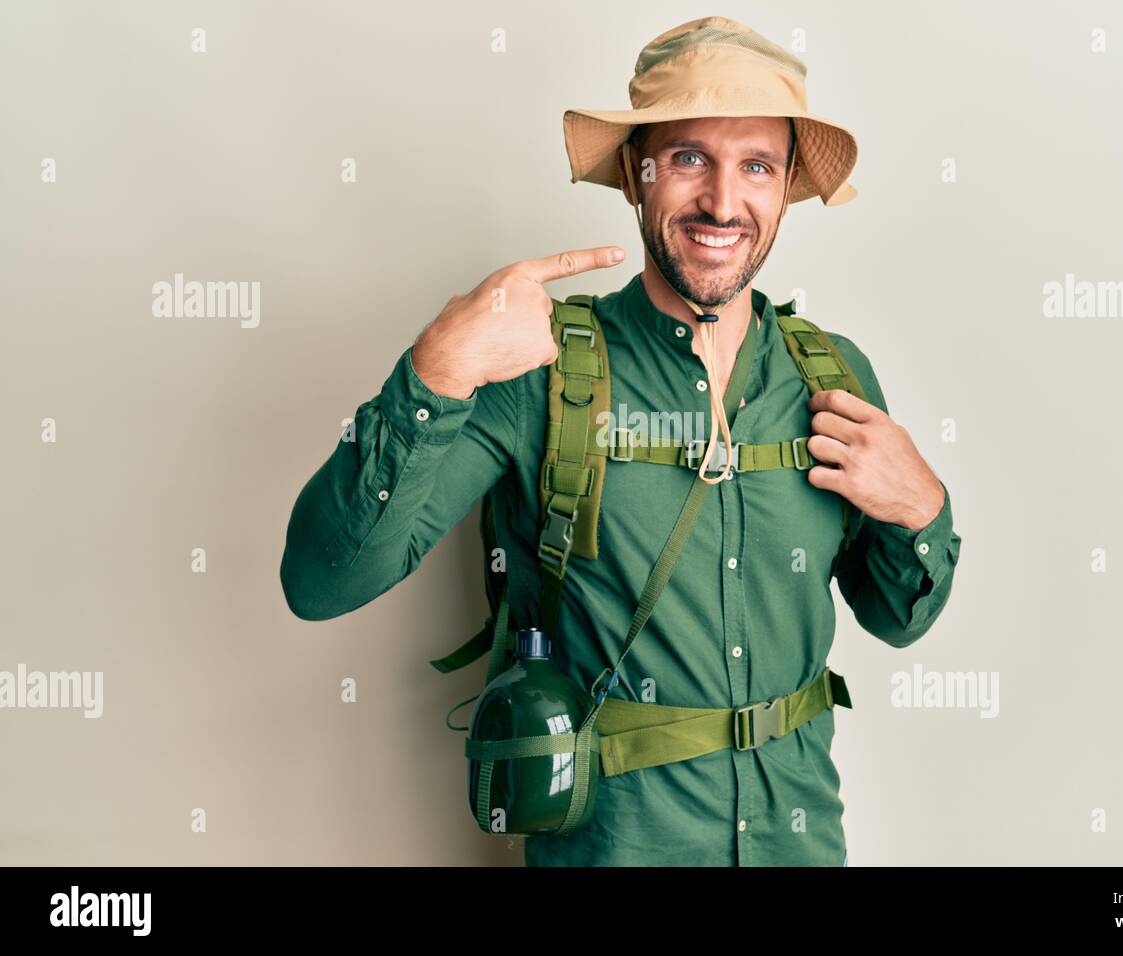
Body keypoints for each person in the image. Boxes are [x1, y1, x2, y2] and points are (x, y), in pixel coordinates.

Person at [280, 16, 961, 867]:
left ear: (786, 189)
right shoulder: (538, 374)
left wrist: (922, 509)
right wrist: (438, 370)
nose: (722, 201)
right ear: (637, 177)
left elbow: (900, 620)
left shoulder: (832, 373)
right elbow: (320, 581)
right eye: (687, 158)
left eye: (756, 165)